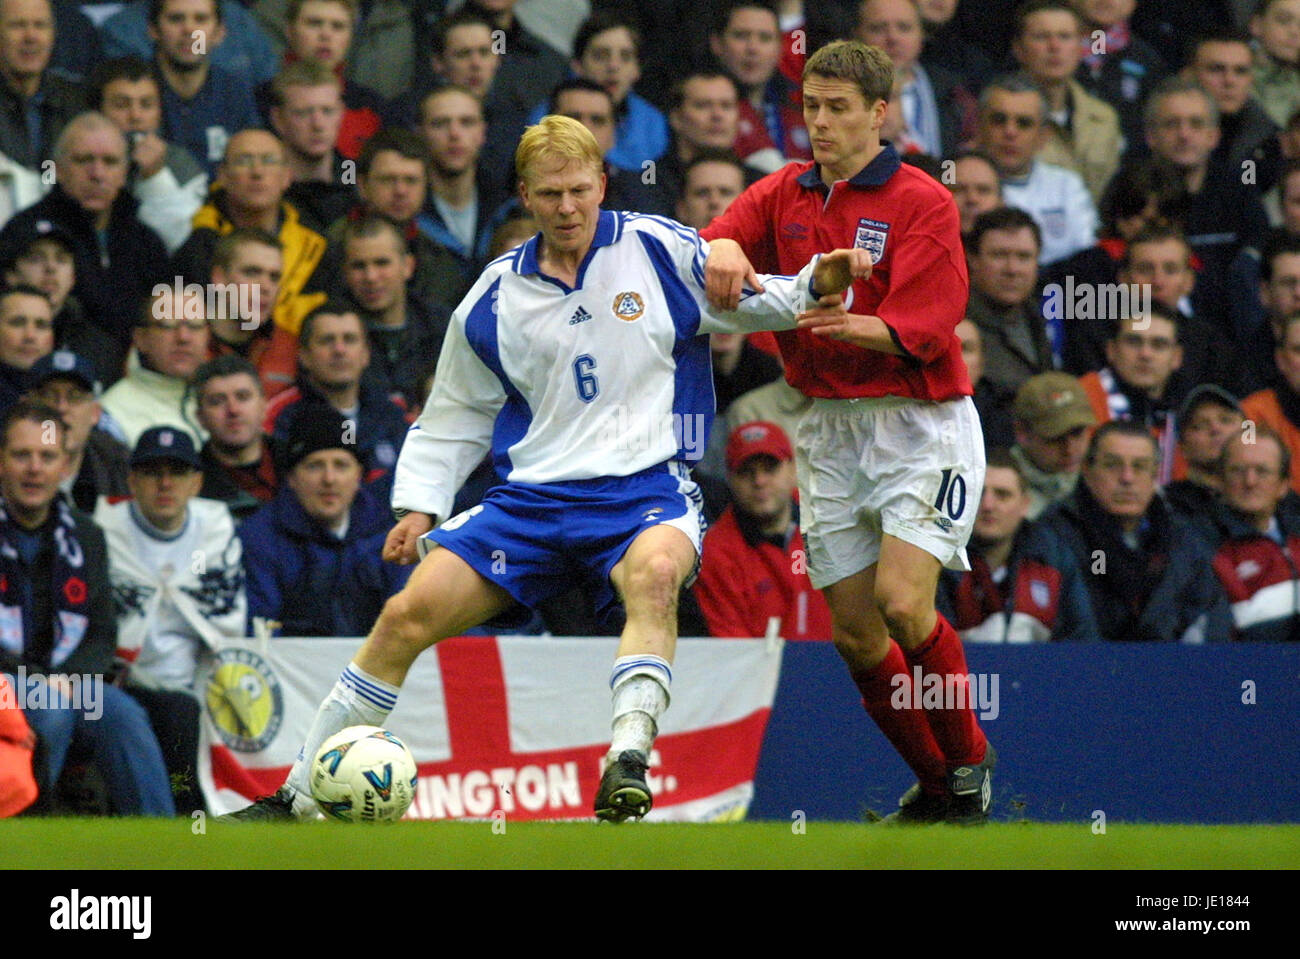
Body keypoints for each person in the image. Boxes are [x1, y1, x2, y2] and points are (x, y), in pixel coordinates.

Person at [219, 113, 870, 824]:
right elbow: (457, 410)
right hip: (530, 502)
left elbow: (753, 302)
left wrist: (814, 285)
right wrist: (419, 505)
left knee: (654, 580)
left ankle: (626, 761)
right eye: (550, 193)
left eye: (579, 190)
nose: (567, 208)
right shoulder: (496, 295)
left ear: (602, 183)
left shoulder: (656, 250)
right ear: (525, 195)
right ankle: (296, 796)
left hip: (644, 492)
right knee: (404, 615)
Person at [701, 39, 994, 824]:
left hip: (919, 424)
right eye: (810, 107)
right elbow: (719, 240)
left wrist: (833, 320)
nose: (820, 123)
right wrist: (725, 246)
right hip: (828, 432)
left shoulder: (923, 200)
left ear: (879, 112)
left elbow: (930, 327)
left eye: (837, 108)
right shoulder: (782, 193)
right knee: (858, 637)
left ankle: (970, 762)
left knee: (905, 604)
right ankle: (938, 787)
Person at [0, 399, 174, 815]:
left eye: (47, 456)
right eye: (22, 455)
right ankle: (25, 840)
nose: (34, 468)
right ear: (1, 461)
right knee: (51, 708)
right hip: (6, 684)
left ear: (65, 466)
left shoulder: (86, 535)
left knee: (122, 715)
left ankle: (166, 847)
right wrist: (42, 682)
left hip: (65, 683)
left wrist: (68, 679)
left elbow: (101, 632)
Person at [94, 425, 245, 814]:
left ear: (196, 482)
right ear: (131, 480)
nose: (164, 484)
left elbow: (227, 622)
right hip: (118, 681)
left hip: (203, 682)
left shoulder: (214, 529)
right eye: (151, 472)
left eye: (177, 472)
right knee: (177, 716)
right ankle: (179, 823)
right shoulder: (104, 528)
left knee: (194, 711)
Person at [1034, 420, 1231, 643]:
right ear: (1087, 471)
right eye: (1112, 465)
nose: (1127, 478)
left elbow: (1209, 620)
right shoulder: (1053, 536)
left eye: (1139, 466)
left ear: (1154, 474)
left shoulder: (1184, 538)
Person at [0, 111, 169, 346]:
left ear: (124, 173)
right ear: (58, 169)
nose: (97, 174)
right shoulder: (23, 233)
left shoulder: (147, 242)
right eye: (83, 160)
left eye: (110, 162)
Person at [936, 448, 1099, 643]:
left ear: (1025, 505)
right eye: (978, 493)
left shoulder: (1055, 557)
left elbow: (1083, 641)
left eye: (1002, 495)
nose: (988, 505)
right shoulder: (939, 557)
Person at [694, 421, 831, 641]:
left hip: (839, 666)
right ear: (730, 479)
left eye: (770, 468)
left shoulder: (829, 522)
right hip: (762, 672)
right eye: (746, 472)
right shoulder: (716, 553)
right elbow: (735, 651)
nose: (759, 481)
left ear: (793, 470)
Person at [91, 56, 207, 254]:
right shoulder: (69, 159)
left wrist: (155, 177)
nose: (135, 116)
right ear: (97, 110)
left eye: (146, 105)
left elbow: (182, 244)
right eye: (121, 105)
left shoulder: (181, 162)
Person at [1202, 424, 1300, 641]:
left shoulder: (1296, 537)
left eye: (1262, 471)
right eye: (1237, 471)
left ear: (1284, 485)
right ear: (1219, 480)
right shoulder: (1200, 547)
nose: (1250, 482)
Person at [26, 348, 130, 512]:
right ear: (26, 408)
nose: (61, 408)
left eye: (75, 397)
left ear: (95, 413)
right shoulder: (6, 465)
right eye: (49, 395)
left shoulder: (119, 466)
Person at [192, 354, 278, 521]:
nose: (233, 410)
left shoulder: (299, 464)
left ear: (264, 406)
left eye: (243, 397)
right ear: (200, 418)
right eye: (217, 401)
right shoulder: (189, 484)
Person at [1010, 371, 1097, 519]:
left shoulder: (1100, 484)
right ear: (1022, 432)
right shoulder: (997, 491)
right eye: (1055, 438)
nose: (1069, 449)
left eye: (1077, 433)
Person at [1164, 384, 1245, 519]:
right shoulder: (1168, 507)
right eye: (1200, 425)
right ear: (1183, 448)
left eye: (1226, 420)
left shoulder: (1275, 497)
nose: (1215, 429)